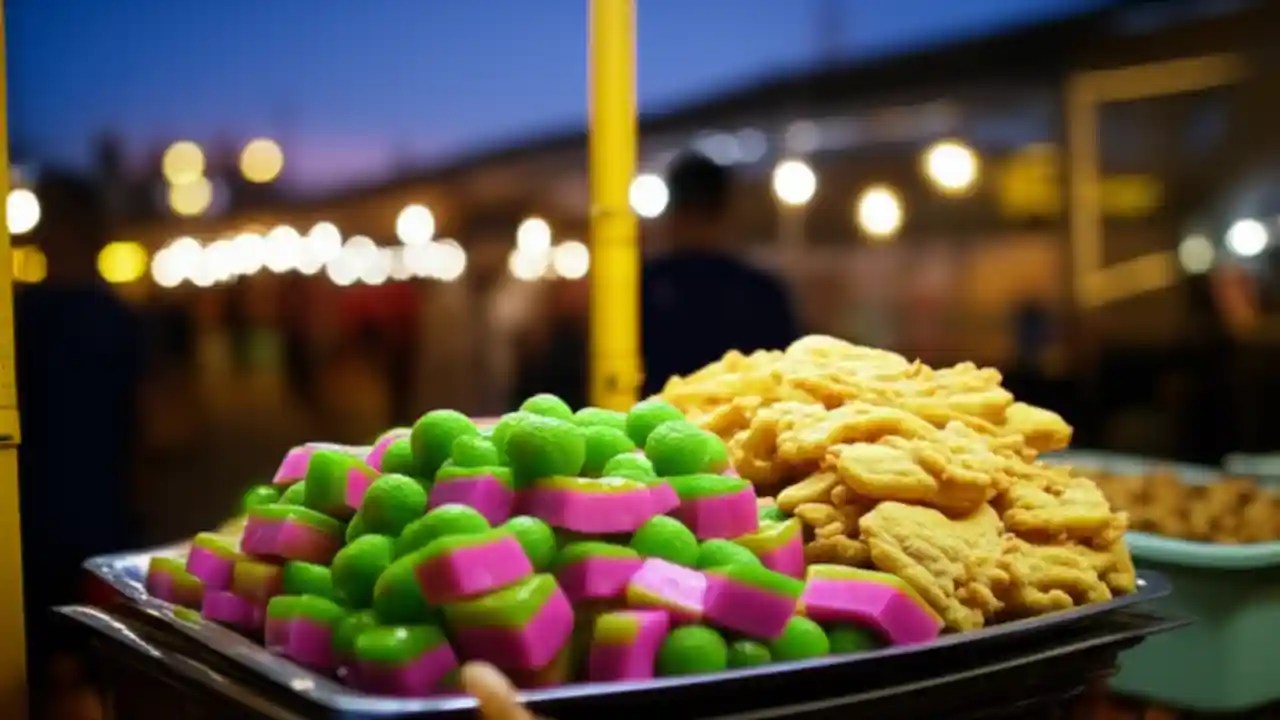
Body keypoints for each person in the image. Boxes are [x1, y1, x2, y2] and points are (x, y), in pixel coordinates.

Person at [14, 172, 143, 710]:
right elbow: (164, 431)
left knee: (42, 669)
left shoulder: (17, 319)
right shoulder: (119, 321)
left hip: (30, 519)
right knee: (101, 665)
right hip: (104, 518)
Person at [642, 152, 799, 394]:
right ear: (726, 213)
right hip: (740, 426)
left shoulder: (643, 286)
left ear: (672, 213)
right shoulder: (760, 292)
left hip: (652, 426)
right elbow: (785, 374)